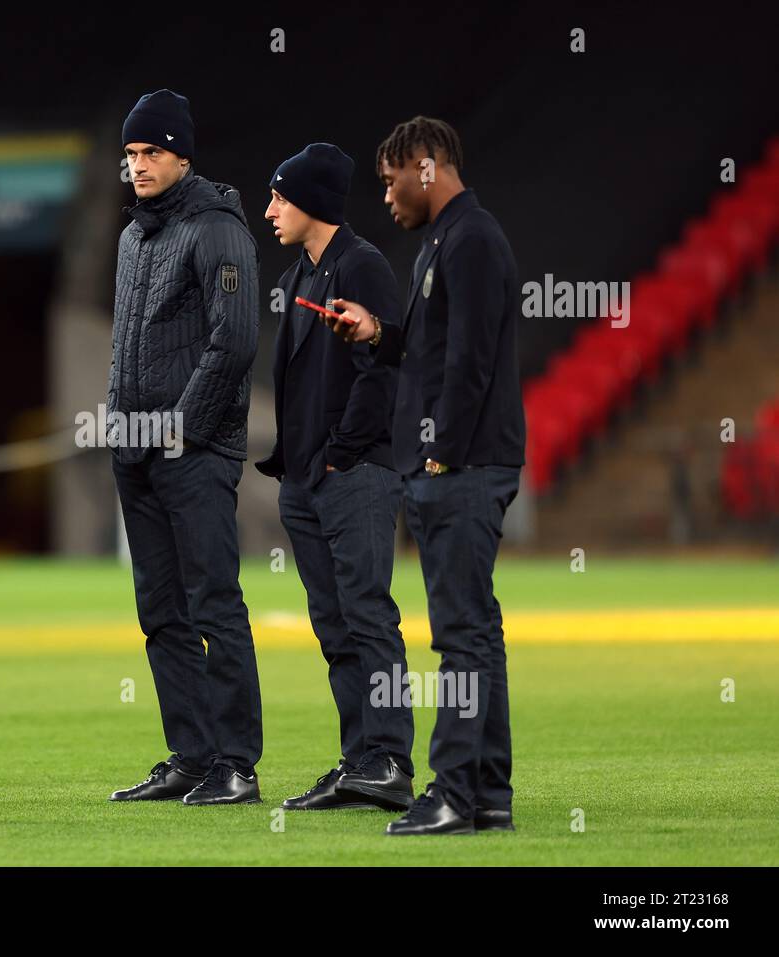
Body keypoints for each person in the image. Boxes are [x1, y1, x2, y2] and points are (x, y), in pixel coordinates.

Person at [324, 117, 525, 835]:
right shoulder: (448, 240)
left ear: (427, 165)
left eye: (390, 179)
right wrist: (378, 333)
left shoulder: (470, 239)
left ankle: (455, 792)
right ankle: (490, 792)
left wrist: (443, 449)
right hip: (461, 457)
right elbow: (435, 352)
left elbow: (470, 359)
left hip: (462, 464)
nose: (386, 196)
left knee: (460, 634)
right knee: (478, 629)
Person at [107, 90, 263, 806]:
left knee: (213, 603)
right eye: (132, 154)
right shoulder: (134, 235)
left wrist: (178, 427)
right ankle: (191, 755)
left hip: (193, 449)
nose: (137, 165)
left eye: (151, 153)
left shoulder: (217, 228)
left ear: (182, 156)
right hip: (136, 449)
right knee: (160, 611)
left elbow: (234, 341)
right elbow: (127, 347)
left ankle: (236, 761)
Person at [254, 143, 415, 812]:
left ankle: (390, 762)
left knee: (368, 616)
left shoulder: (361, 264)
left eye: (279, 198)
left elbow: (384, 361)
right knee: (336, 625)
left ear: (312, 202)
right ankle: (359, 760)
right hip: (308, 482)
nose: (268, 211)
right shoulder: (301, 274)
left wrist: (341, 453)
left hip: (353, 477)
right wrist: (297, 467)